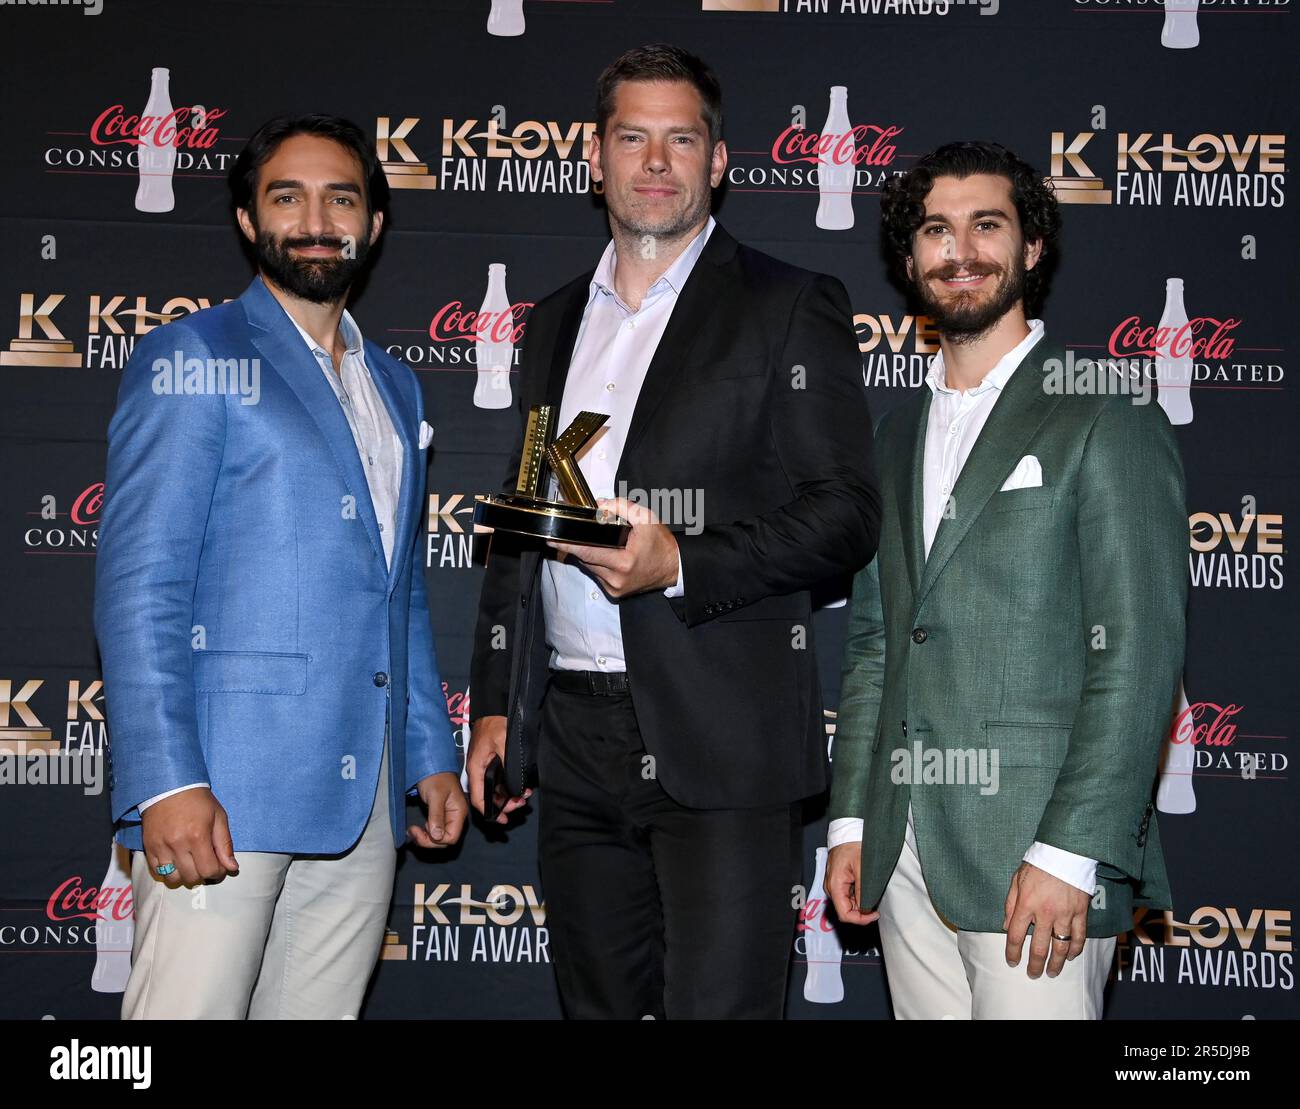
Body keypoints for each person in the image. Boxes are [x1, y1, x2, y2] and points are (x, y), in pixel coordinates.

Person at [468, 44, 881, 1019]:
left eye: (680, 138)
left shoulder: (787, 304)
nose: (656, 161)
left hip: (720, 732)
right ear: (594, 159)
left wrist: (679, 562)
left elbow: (846, 513)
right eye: (632, 138)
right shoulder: (553, 320)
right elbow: (527, 511)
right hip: (570, 732)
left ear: (719, 159)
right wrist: (497, 701)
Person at [95, 115, 466, 1020]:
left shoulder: (396, 384)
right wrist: (166, 782)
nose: (314, 218)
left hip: (364, 800)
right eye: (286, 196)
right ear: (247, 219)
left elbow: (399, 588)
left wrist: (428, 750)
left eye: (340, 197)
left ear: (373, 224)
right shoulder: (193, 356)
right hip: (222, 792)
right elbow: (142, 584)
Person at [825, 141, 1187, 1019]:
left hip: (1039, 855)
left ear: (1031, 248)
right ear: (909, 258)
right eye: (936, 231)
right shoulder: (893, 433)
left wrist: (1074, 850)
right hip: (905, 851)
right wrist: (851, 821)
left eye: (988, 225)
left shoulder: (1107, 405)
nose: (961, 252)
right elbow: (877, 642)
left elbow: (1138, 652)